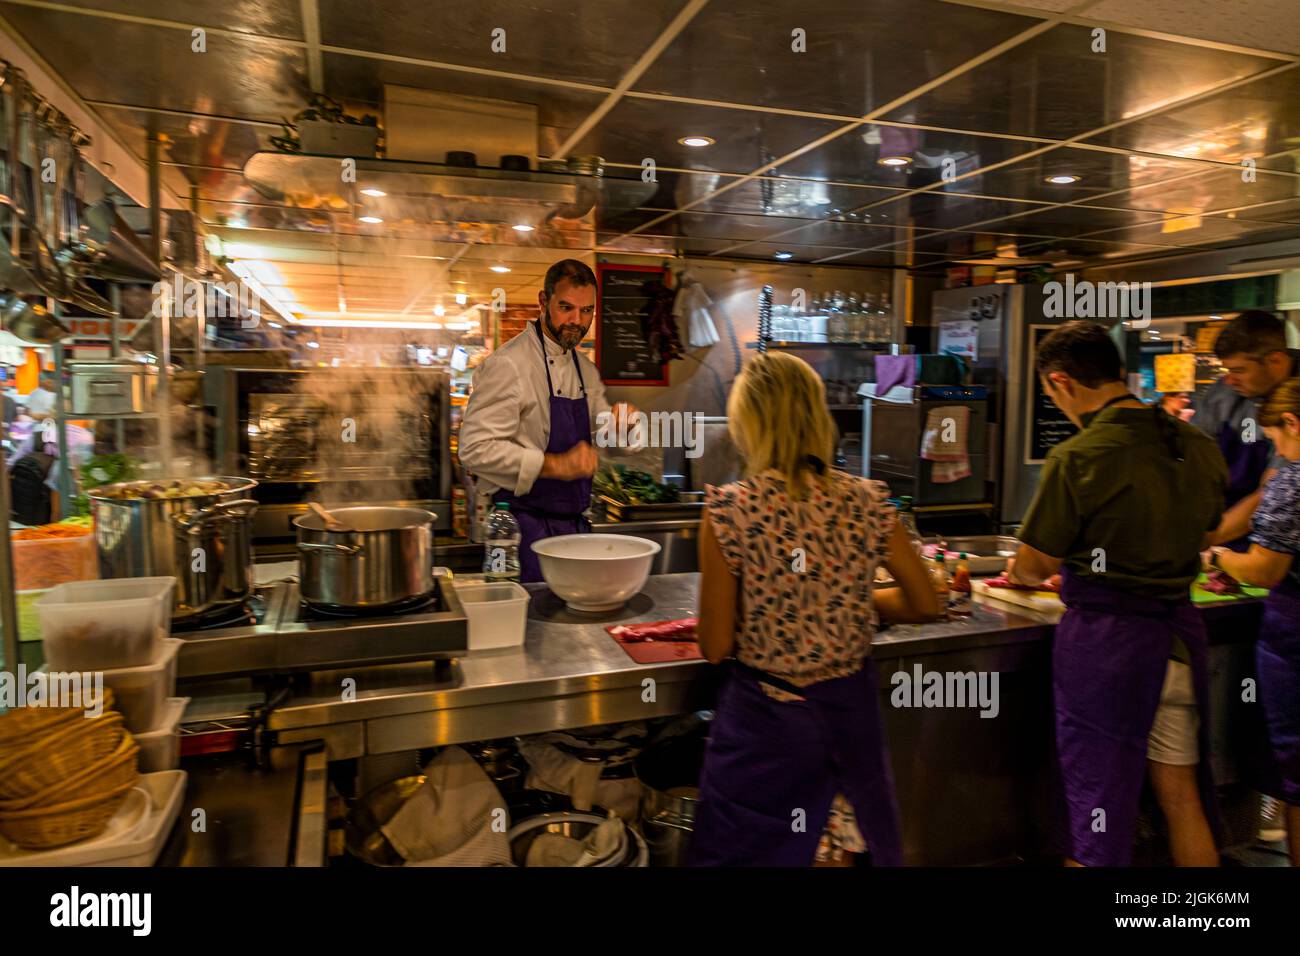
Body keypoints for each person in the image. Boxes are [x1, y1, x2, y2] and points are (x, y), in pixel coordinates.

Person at [687, 351, 939, 867]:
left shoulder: (729, 510)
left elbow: (715, 648)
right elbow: (926, 601)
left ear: (750, 423)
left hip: (766, 736)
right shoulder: (869, 501)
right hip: (848, 725)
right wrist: (842, 598)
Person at [1008, 321, 1228, 867]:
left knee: (1097, 804)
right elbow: (1203, 534)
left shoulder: (1079, 455)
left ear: (1061, 382)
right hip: (1178, 640)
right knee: (1182, 799)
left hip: (1110, 649)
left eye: (1050, 395)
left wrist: (1025, 569)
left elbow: (1034, 566)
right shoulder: (1198, 446)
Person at [458, 259, 637, 582]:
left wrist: (621, 429)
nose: (576, 321)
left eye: (586, 312)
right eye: (566, 307)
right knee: (518, 625)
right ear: (543, 302)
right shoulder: (509, 365)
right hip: (517, 532)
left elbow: (603, 441)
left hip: (573, 532)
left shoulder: (585, 369)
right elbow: (474, 449)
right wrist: (553, 465)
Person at [1207, 377, 1300, 865]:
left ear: (1291, 423)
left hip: (1293, 635)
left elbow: (1265, 568)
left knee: (1298, 772)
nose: (1277, 453)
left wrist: (1219, 559)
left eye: (1277, 441)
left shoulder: (1294, 479)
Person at [1194, 310, 1299, 549]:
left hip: (1280, 545)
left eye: (1238, 370)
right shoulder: (1223, 393)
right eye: (1227, 370)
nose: (1229, 380)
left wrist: (1201, 542)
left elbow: (1272, 492)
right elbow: (1193, 458)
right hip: (1222, 531)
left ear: (1276, 360)